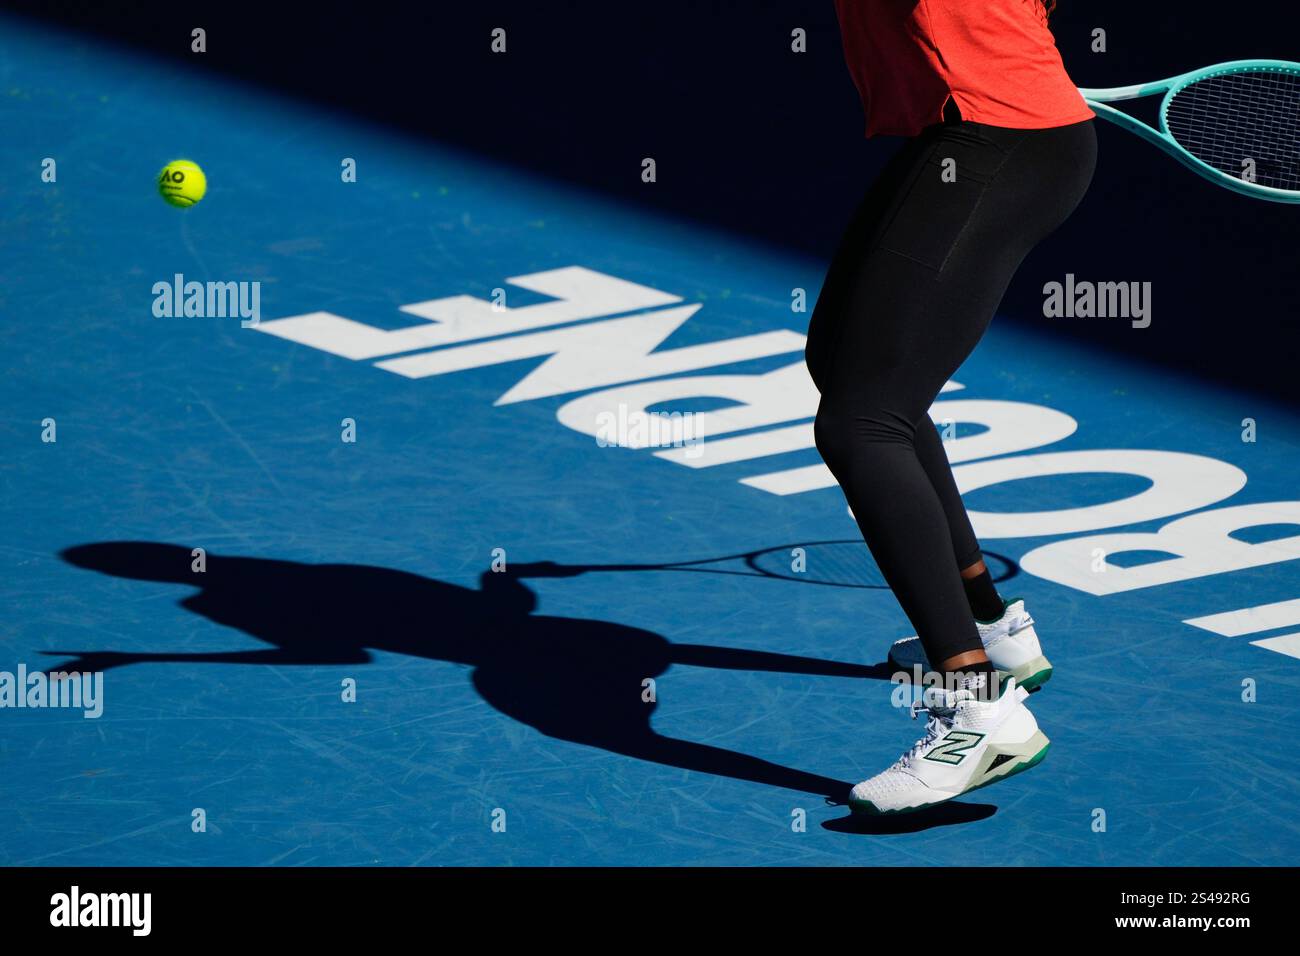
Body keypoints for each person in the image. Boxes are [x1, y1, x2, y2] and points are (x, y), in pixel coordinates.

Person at [806, 0, 1096, 814]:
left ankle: (976, 709)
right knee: (849, 373)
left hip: (997, 141)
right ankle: (991, 629)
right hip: (989, 130)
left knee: (862, 419)